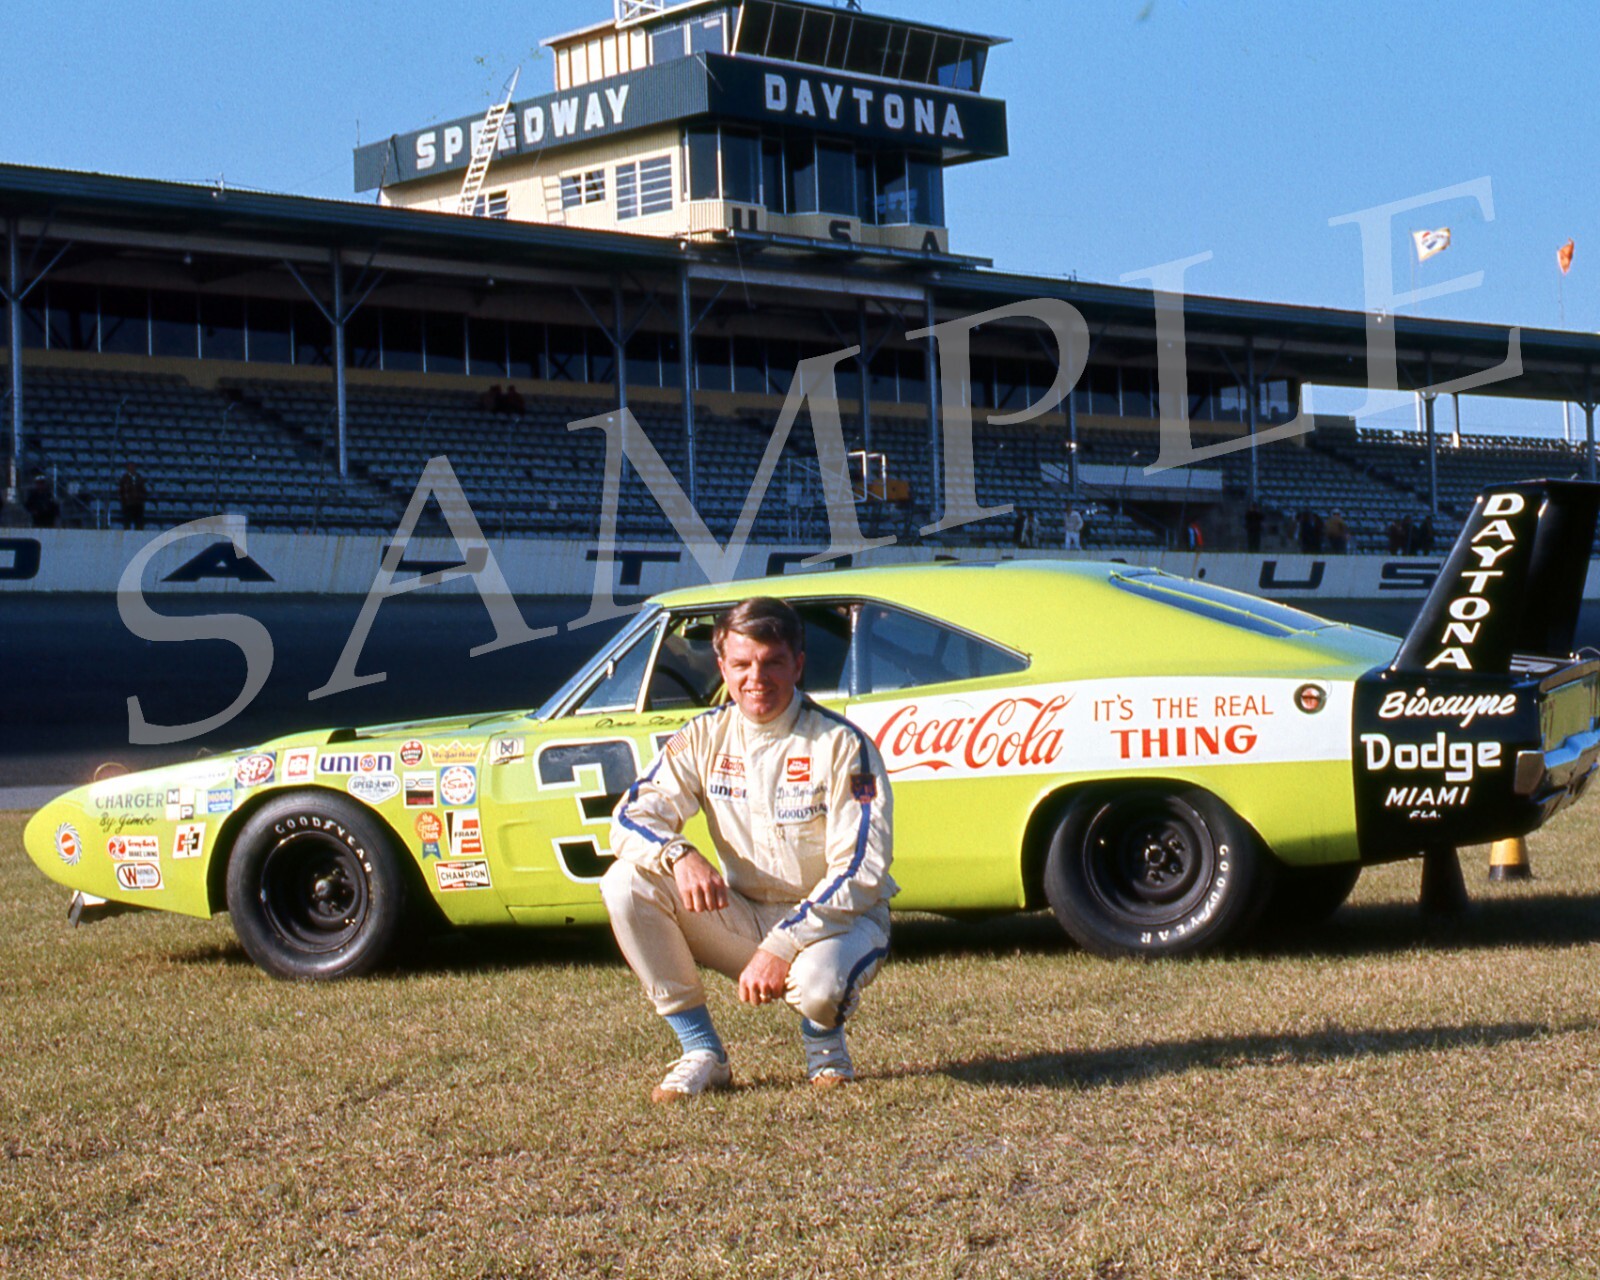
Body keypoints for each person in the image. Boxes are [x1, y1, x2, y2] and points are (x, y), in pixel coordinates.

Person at [602, 597, 895, 1102]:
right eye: (741, 663)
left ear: (798, 664)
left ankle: (825, 1047)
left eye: (772, 661)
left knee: (819, 987)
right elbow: (630, 817)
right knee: (625, 882)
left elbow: (862, 868)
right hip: (748, 918)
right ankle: (702, 1053)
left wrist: (781, 947)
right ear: (722, 666)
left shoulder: (843, 744)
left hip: (843, 923)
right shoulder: (703, 736)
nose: (756, 677)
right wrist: (679, 854)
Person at [118, 461, 149, 530]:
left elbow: (144, 490)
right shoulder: (124, 479)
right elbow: (121, 491)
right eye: (130, 467)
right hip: (128, 504)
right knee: (127, 522)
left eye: (133, 467)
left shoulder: (140, 478)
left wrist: (141, 498)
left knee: (139, 523)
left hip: (138, 504)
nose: (132, 468)